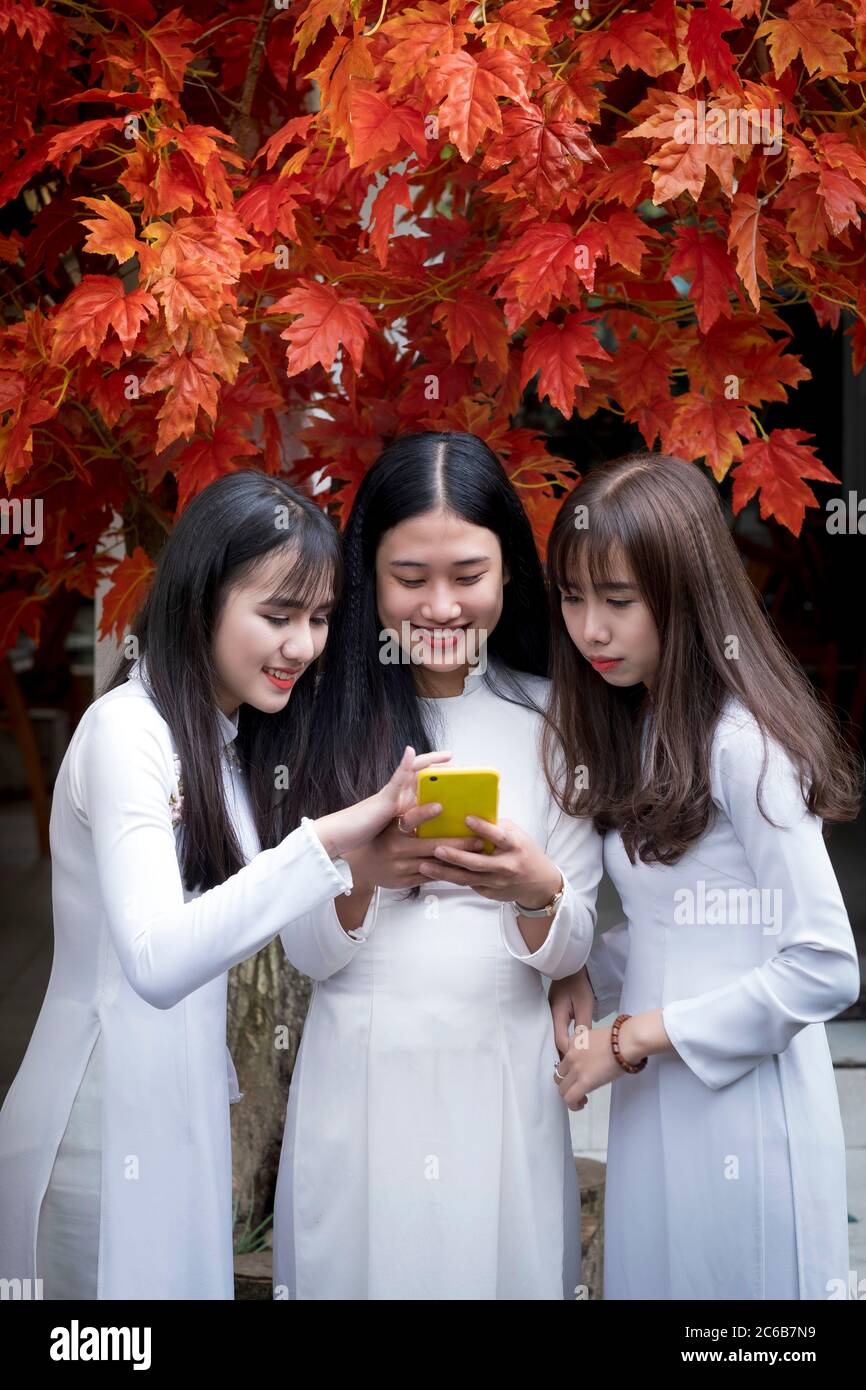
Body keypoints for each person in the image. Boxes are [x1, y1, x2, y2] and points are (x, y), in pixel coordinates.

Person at [0, 470, 449, 1299]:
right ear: (201, 599)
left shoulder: (229, 744)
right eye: (277, 616)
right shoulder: (126, 734)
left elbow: (277, 936)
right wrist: (327, 841)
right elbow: (155, 961)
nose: (303, 647)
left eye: (317, 620)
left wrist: (357, 871)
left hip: (184, 1112)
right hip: (99, 1121)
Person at [273, 431, 603, 1300]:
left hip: (499, 1070)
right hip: (362, 1070)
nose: (442, 607)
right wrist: (368, 874)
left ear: (509, 574)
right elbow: (304, 951)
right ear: (366, 578)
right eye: (410, 579)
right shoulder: (319, 719)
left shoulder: (556, 715)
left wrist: (534, 889)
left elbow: (575, 941)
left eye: (468, 576)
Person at [545, 452, 862, 1300]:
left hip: (743, 1105)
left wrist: (631, 1037)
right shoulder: (642, 722)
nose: (592, 631)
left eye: (618, 602)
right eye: (574, 599)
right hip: (657, 1104)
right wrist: (574, 970)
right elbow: (674, 921)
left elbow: (825, 965)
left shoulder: (743, 743)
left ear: (687, 595)